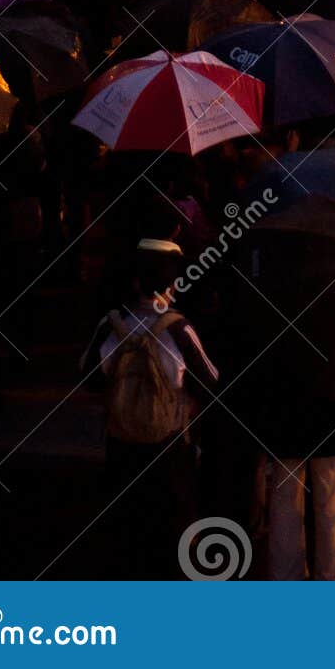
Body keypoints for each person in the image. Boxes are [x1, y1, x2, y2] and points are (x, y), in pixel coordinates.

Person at [80, 240, 218, 580]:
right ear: (172, 285)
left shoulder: (111, 325)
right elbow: (211, 380)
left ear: (136, 281)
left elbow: (88, 376)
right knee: (171, 540)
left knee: (126, 537)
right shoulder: (179, 329)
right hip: (169, 450)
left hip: (121, 445)